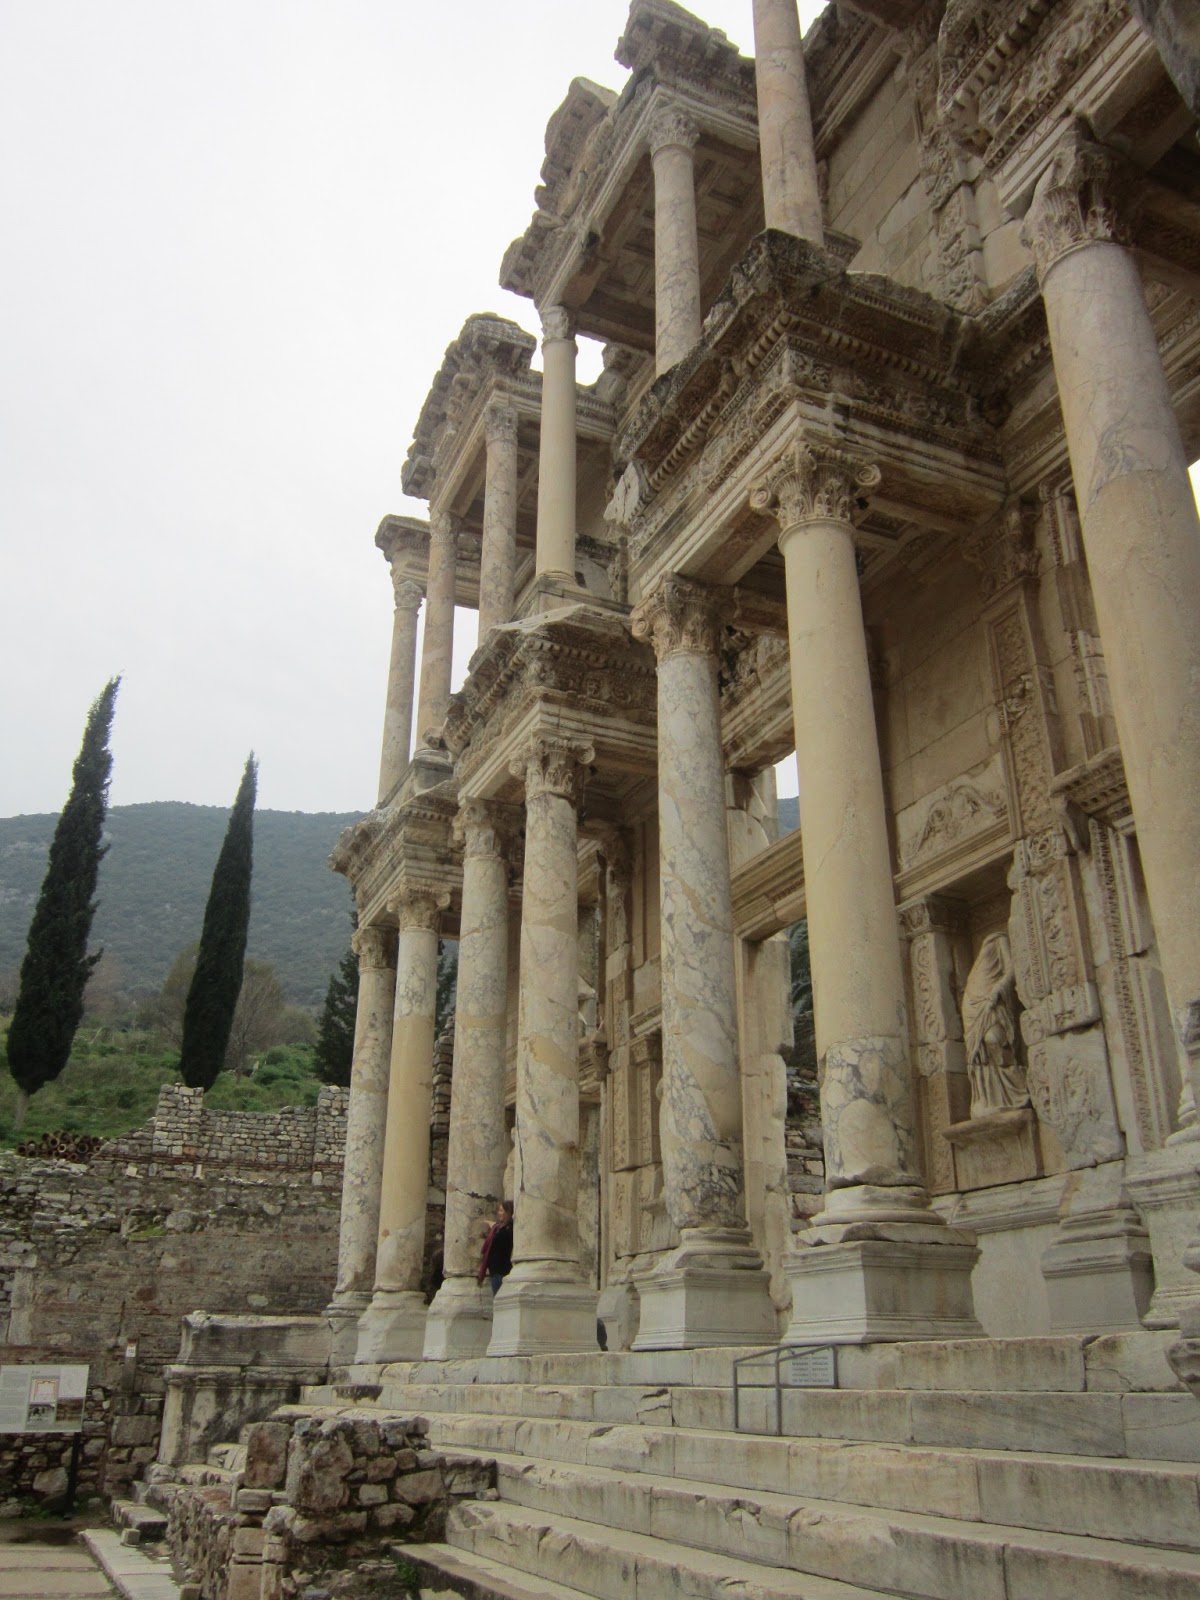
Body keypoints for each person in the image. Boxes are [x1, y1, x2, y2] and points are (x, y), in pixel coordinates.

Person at [477, 1200, 514, 1295]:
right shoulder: (501, 1229)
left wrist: (493, 1227)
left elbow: (500, 1238)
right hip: (496, 1271)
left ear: (508, 1212)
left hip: (501, 1271)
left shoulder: (507, 1230)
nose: (498, 1213)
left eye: (501, 1210)